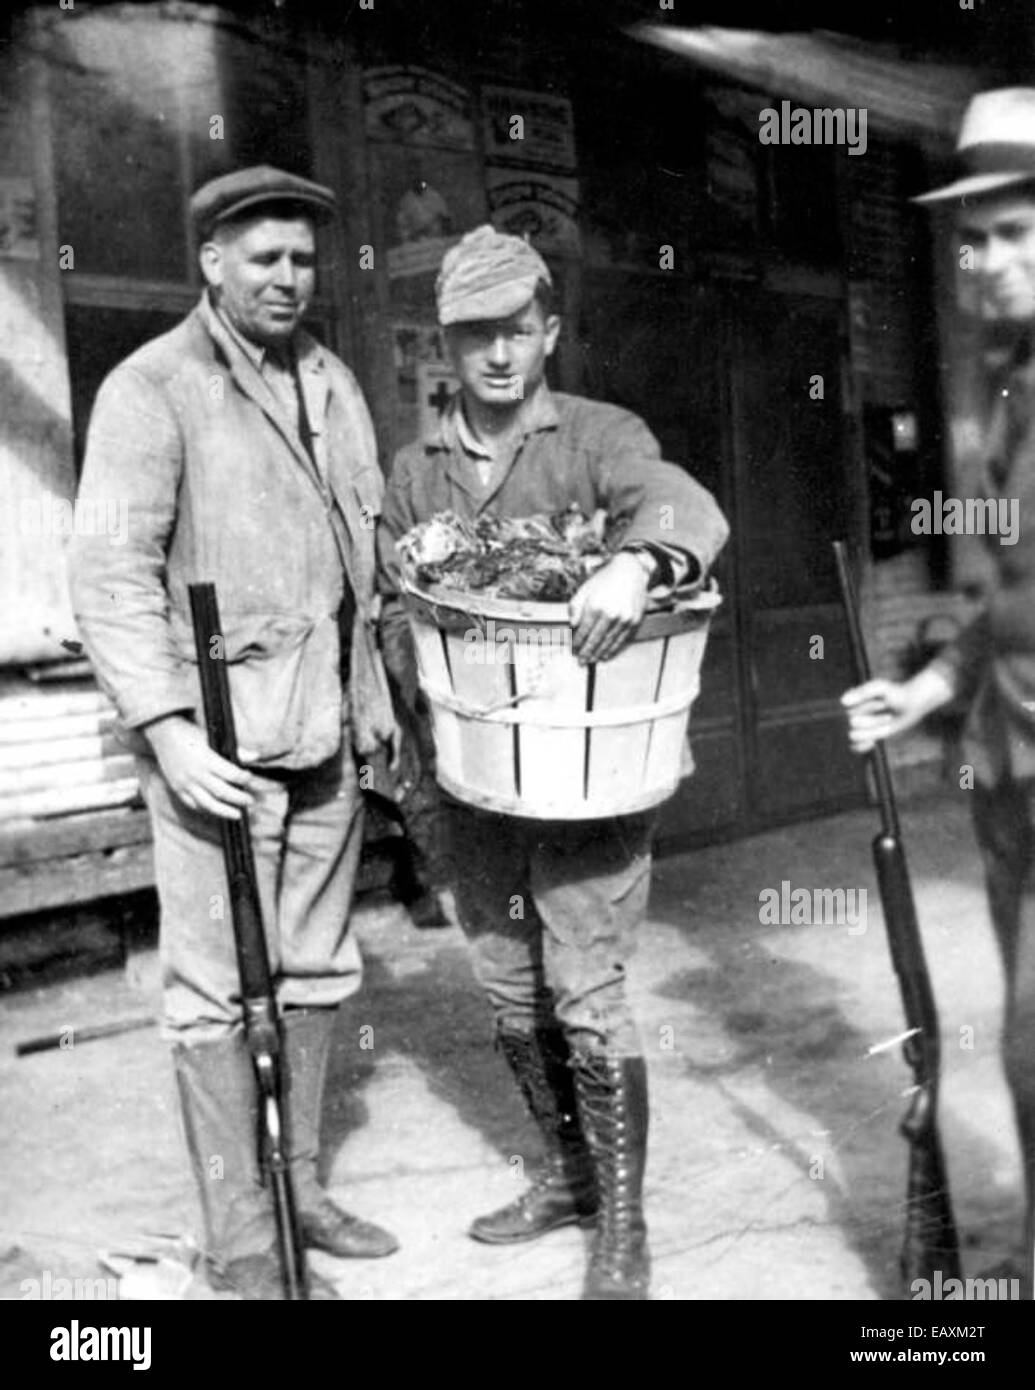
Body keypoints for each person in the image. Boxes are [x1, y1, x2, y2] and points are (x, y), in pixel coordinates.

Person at [377, 224, 729, 1300]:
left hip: (584, 775)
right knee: (504, 981)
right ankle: (570, 1177)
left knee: (586, 986)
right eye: (474, 334)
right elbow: (397, 609)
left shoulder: (595, 435)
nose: (496, 354)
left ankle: (623, 1228)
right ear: (446, 343)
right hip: (471, 777)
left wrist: (634, 565)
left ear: (550, 332)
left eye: (516, 331)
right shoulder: (415, 467)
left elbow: (687, 507)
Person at [69, 165, 400, 1300]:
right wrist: (165, 730)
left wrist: (377, 702)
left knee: (314, 974)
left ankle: (298, 1190)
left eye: (303, 259)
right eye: (264, 258)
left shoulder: (334, 381)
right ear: (211, 263)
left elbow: (366, 557)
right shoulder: (150, 388)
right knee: (213, 996)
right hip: (218, 751)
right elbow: (109, 572)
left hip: (328, 739)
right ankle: (243, 1241)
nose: (289, 279)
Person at [842, 89, 1035, 1290]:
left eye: (1020, 231)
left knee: (1029, 1049)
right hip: (1012, 769)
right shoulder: (1010, 389)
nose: (989, 260)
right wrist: (932, 690)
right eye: (976, 238)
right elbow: (1012, 585)